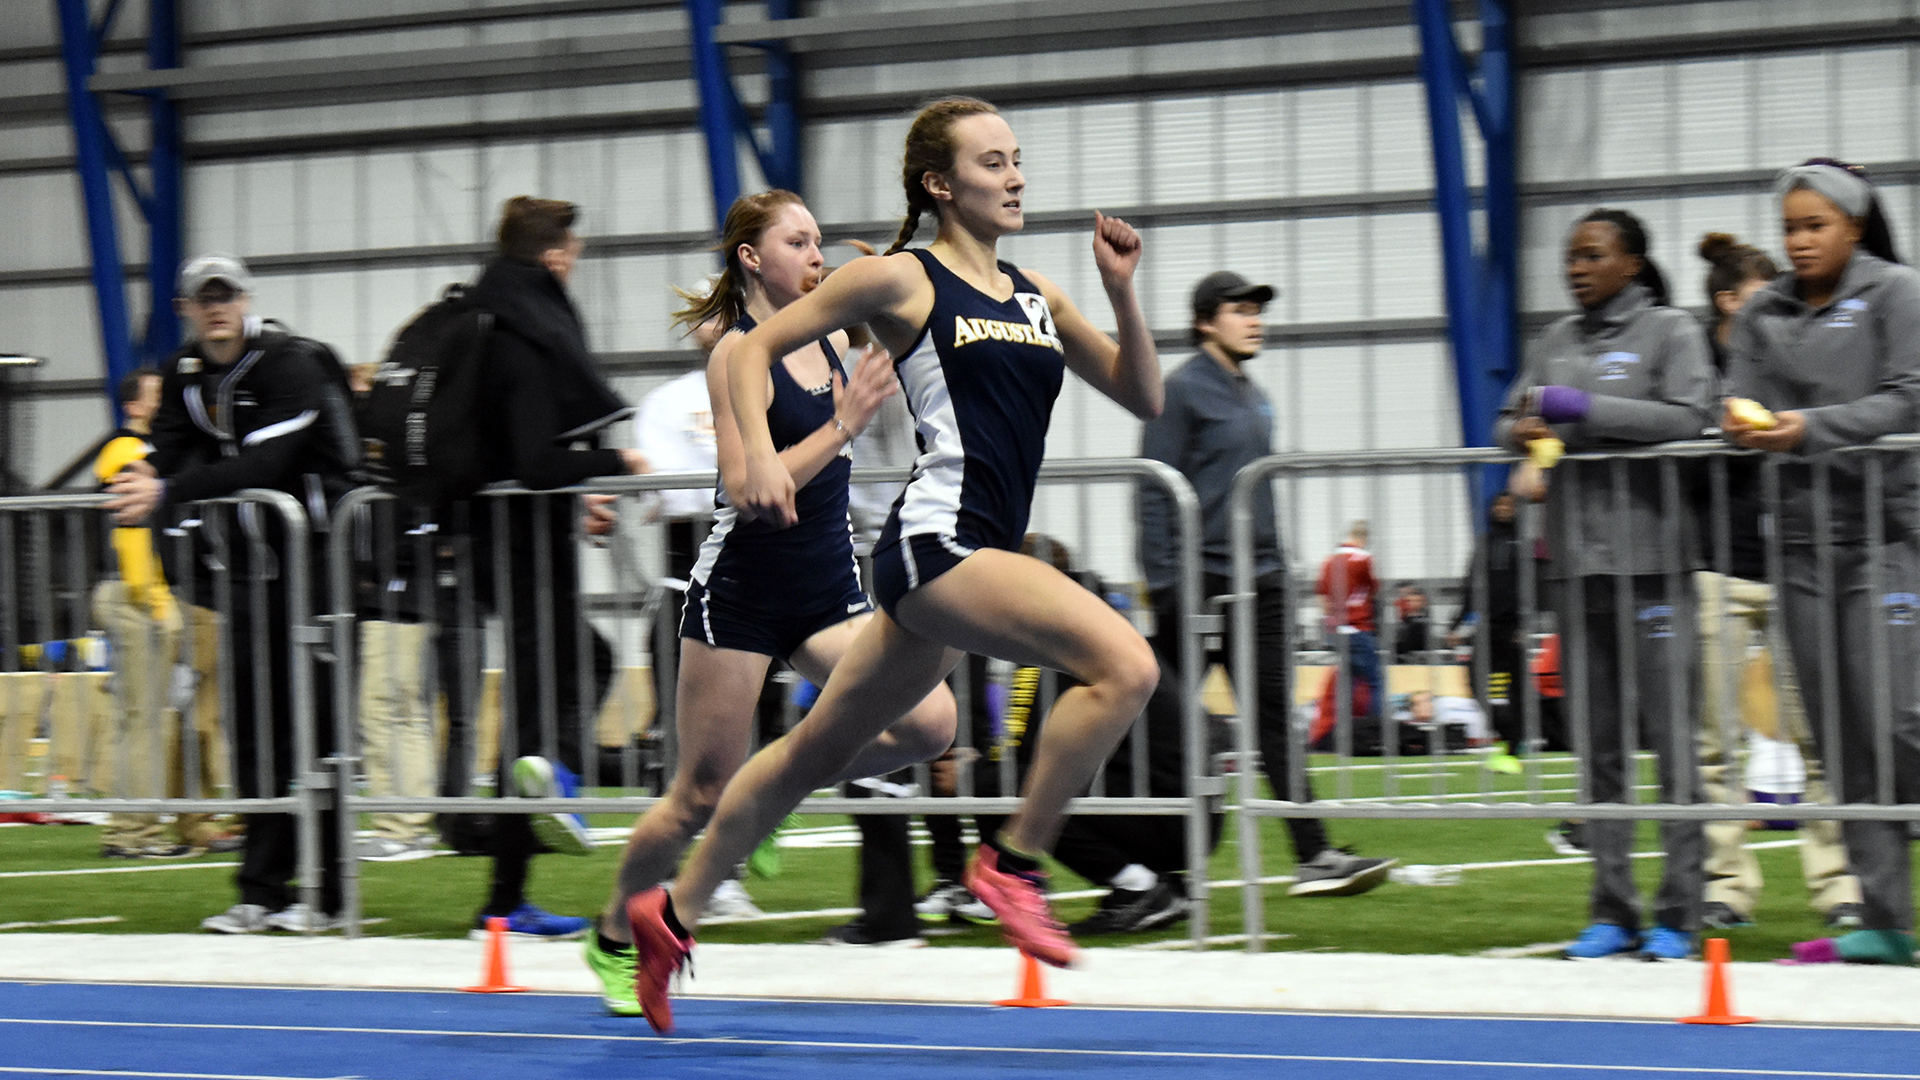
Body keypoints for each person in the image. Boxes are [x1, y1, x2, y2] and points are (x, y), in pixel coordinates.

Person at [622, 96, 1163, 1033]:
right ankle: (1014, 862)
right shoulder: (901, 281)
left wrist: (1120, 289)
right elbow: (749, 353)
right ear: (939, 185)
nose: (1016, 176)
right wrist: (752, 460)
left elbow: (1141, 394)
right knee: (1127, 666)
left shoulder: (1039, 293)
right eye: (992, 163)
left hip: (971, 552)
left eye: (1018, 158)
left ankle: (674, 916)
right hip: (938, 541)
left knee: (807, 755)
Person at [583, 189, 957, 1015]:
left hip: (826, 590)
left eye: (819, 239)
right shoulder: (735, 356)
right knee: (697, 799)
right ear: (753, 258)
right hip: (741, 599)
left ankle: (778, 785)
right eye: (799, 241)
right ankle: (613, 932)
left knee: (930, 723)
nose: (816, 253)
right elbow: (757, 492)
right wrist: (845, 425)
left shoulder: (830, 338)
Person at [107, 253, 361, 933]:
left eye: (225, 295)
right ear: (186, 308)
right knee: (255, 733)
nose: (216, 307)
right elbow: (169, 448)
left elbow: (265, 461)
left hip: (319, 573)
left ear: (244, 299)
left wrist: (168, 489)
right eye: (202, 297)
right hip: (247, 577)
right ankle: (261, 888)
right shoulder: (183, 373)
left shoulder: (290, 365)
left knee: (319, 735)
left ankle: (332, 894)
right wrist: (137, 478)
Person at [1133, 270, 1392, 922]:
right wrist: (1165, 584)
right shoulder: (1182, 391)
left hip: (1263, 581)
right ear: (1205, 321)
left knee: (1276, 720)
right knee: (1166, 723)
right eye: (1240, 310)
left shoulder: (1254, 394)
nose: (1255, 320)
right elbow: (1154, 490)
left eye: (1257, 310)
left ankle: (1313, 854)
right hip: (1201, 586)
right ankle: (1155, 871)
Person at [1496, 208, 1715, 961]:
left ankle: (1680, 913)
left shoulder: (1671, 331)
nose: (1576, 267)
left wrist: (1585, 408)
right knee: (1599, 750)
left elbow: (1692, 416)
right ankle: (1612, 909)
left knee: (1674, 747)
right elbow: (1508, 418)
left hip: (1655, 566)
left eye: (1592, 255)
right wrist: (1522, 428)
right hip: (1578, 566)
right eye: (1570, 257)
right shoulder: (1556, 339)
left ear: (1630, 262)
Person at [1722, 160, 1920, 965]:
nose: (1800, 242)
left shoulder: (1897, 293)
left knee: (1899, 716)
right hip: (1800, 545)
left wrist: (1809, 429)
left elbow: (1911, 396)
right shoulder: (1762, 312)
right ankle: (1883, 919)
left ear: (1854, 225)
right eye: (1791, 228)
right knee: (1840, 740)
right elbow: (1735, 397)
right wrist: (1739, 425)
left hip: (1888, 537)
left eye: (1816, 226)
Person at [464, 195, 650, 940]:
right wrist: (617, 460)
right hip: (518, 550)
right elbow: (536, 457)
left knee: (536, 715)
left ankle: (504, 899)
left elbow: (515, 449)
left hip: (515, 539)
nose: (574, 263)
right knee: (545, 709)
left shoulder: (492, 316)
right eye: (572, 251)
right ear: (554, 256)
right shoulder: (523, 331)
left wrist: (580, 498)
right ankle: (555, 793)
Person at [1693, 231, 1861, 931]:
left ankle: (1840, 886)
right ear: (1730, 301)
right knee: (1713, 742)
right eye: (1769, 296)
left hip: (1799, 561)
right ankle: (1726, 886)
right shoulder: (1697, 362)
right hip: (1718, 567)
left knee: (1822, 731)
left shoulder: (1796, 354)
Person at [92, 367, 231, 859]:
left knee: (185, 720)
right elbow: (130, 531)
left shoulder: (164, 452)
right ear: (133, 406)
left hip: (172, 597)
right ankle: (131, 832)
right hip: (142, 597)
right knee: (145, 720)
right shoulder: (127, 450)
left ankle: (192, 822)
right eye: (158, 396)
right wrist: (153, 601)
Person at [1312, 521, 1385, 750]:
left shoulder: (1329, 561)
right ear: (1363, 538)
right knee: (1375, 682)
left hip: (1337, 631)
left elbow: (1322, 597)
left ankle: (1341, 734)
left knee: (1347, 684)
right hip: (1358, 628)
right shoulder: (1363, 559)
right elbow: (1372, 590)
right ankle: (1376, 732)